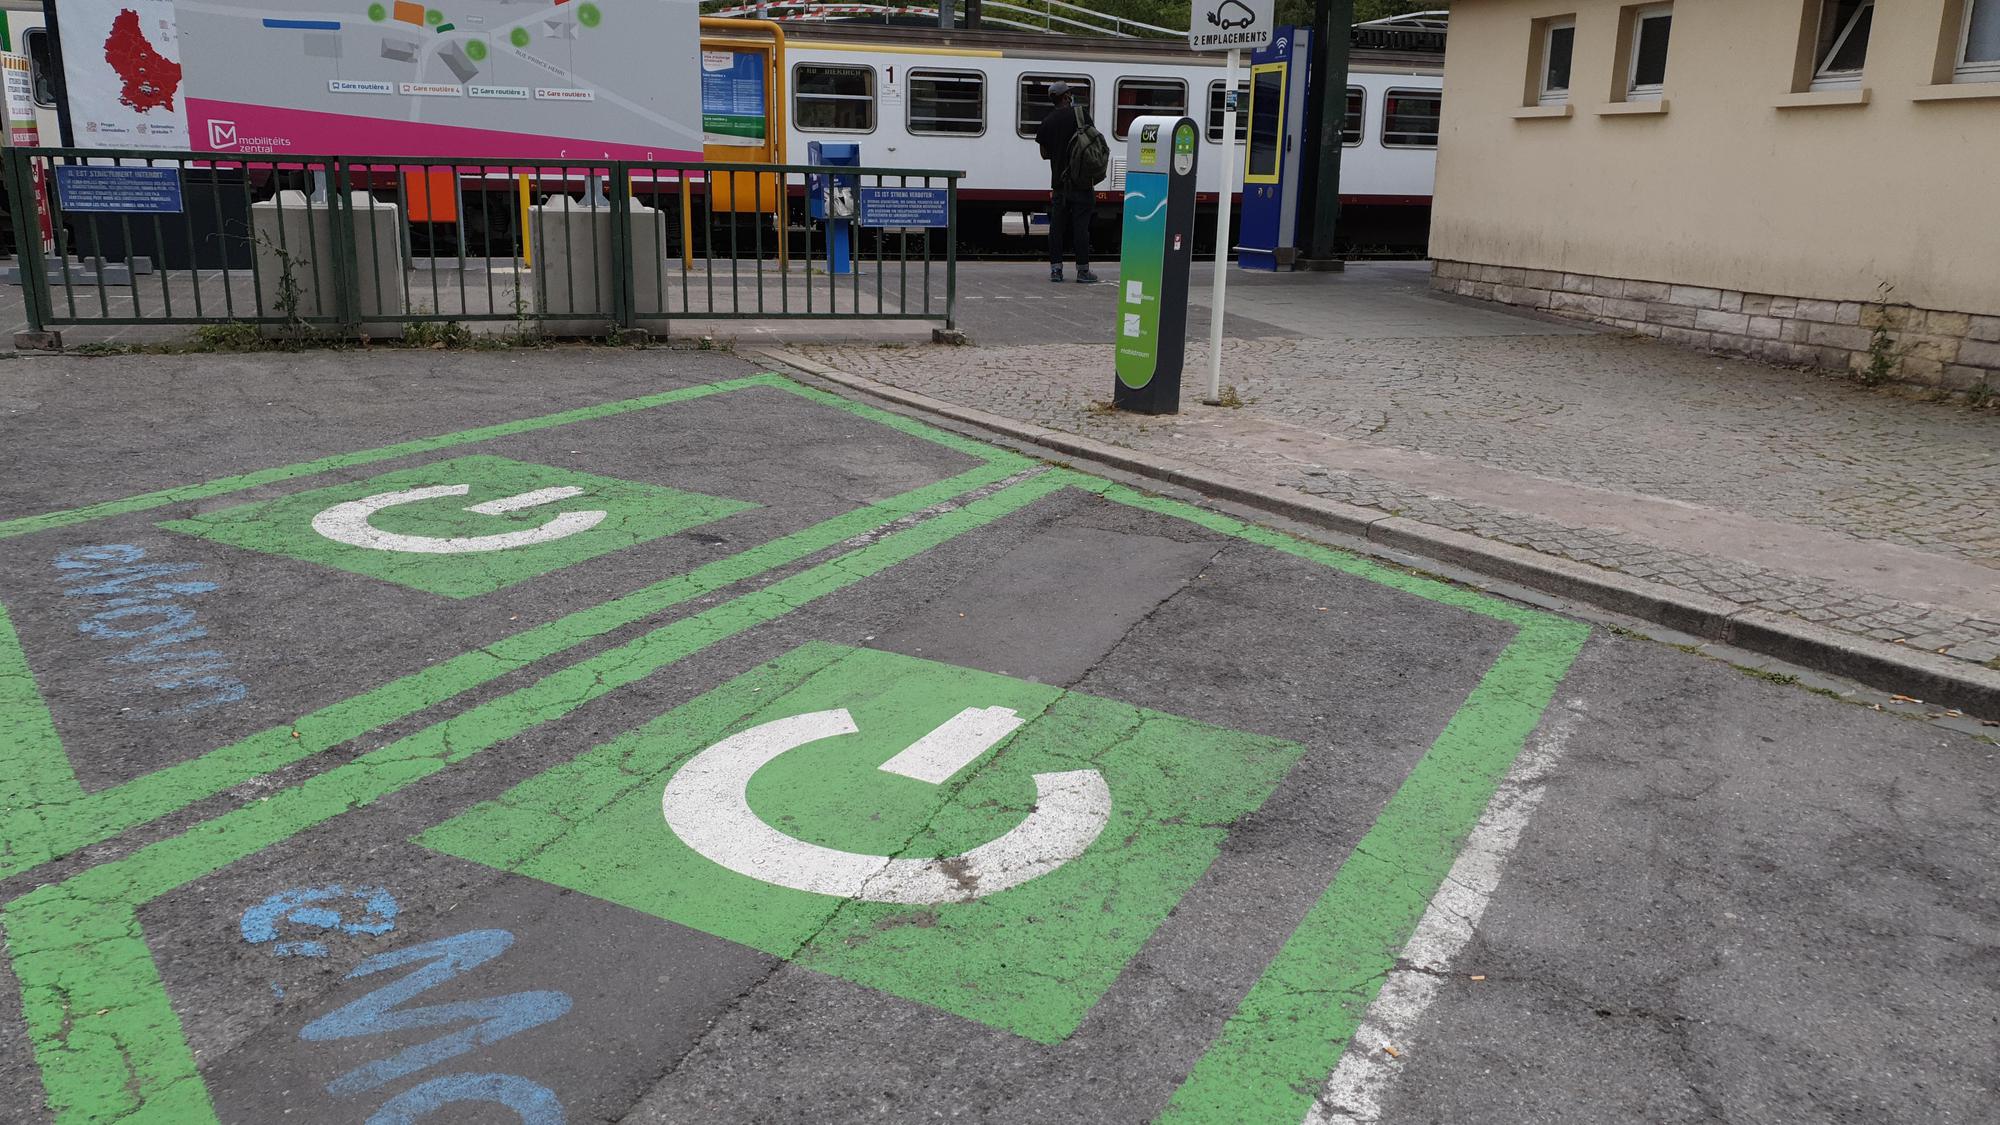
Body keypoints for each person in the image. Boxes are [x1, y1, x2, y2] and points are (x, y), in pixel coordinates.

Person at [1035, 81, 1099, 284]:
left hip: (1059, 185)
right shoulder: (1081, 115)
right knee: (1081, 228)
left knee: (1056, 228)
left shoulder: (1047, 122)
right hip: (1082, 183)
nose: (1071, 97)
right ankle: (1083, 272)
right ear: (1065, 97)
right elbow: (1092, 142)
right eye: (1069, 94)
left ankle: (1056, 271)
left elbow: (1044, 154)